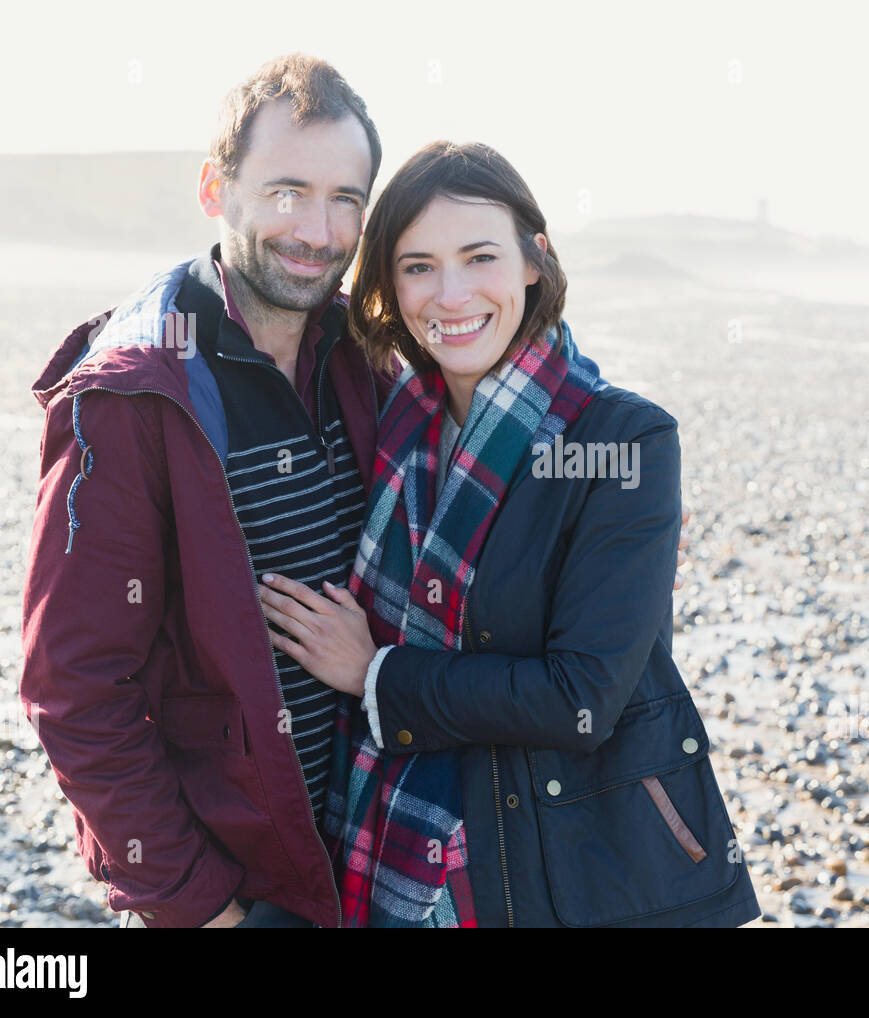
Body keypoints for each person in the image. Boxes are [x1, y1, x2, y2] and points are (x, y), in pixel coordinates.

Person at [257, 141, 761, 927]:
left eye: (479, 257)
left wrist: (378, 676)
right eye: (418, 265)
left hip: (562, 870)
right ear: (389, 285)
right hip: (386, 844)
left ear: (535, 260)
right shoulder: (392, 424)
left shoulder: (625, 443)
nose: (450, 295)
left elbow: (581, 699)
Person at [20, 54, 391, 928]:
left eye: (346, 199)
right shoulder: (131, 394)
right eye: (286, 191)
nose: (318, 229)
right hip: (250, 884)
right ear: (213, 189)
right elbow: (73, 687)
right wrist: (198, 906)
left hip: (378, 852)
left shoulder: (359, 354)